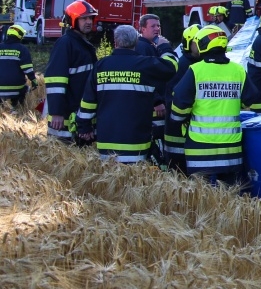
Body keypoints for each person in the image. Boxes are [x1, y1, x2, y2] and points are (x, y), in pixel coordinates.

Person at [75, 25, 178, 164]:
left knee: (110, 181)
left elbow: (88, 101)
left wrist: (84, 127)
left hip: (107, 141)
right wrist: (164, 46)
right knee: (134, 180)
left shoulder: (101, 66)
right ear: (136, 42)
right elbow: (172, 65)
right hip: (137, 141)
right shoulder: (145, 65)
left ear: (115, 43)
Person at [168, 25, 257, 182]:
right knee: (231, 197)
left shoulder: (195, 70)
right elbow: (250, 101)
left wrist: (178, 120)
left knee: (200, 198)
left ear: (203, 45)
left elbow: (179, 105)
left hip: (200, 148)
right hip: (231, 147)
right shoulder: (238, 70)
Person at [45, 0, 98, 145]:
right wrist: (56, 112)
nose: (88, 22)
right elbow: (55, 80)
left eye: (90, 18)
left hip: (79, 114)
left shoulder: (83, 44)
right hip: (64, 117)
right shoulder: (65, 43)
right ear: (73, 20)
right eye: (84, 18)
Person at [161, 24, 201, 173]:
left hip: (184, 127)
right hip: (176, 128)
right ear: (188, 44)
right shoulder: (184, 66)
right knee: (177, 169)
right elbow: (173, 96)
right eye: (197, 42)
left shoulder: (193, 63)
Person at [137, 14, 168, 148]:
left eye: (158, 26)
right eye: (153, 26)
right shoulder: (143, 47)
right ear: (142, 29)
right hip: (152, 104)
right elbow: (146, 76)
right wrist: (157, 100)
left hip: (155, 101)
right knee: (156, 137)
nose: (157, 29)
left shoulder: (151, 45)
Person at [0, 24, 38, 107]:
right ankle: (16, 108)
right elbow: (27, 69)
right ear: (20, 36)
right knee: (26, 89)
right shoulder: (22, 49)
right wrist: (34, 80)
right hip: (16, 89)